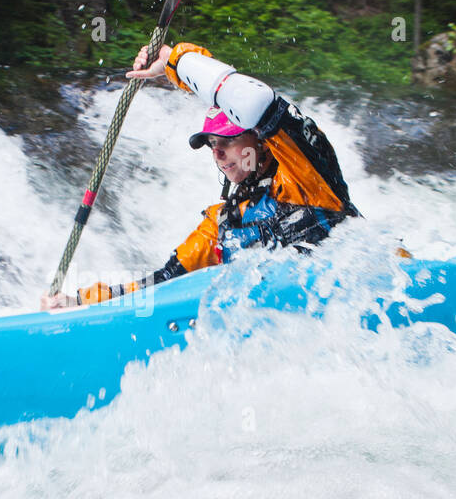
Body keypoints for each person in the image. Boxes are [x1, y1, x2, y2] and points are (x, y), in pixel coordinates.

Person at [41, 41, 359, 311]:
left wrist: (174, 61)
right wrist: (81, 302)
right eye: (212, 144)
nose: (217, 154)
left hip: (366, 298)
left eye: (229, 141)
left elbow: (254, 99)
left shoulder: (308, 176)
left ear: (261, 140)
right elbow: (161, 283)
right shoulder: (223, 223)